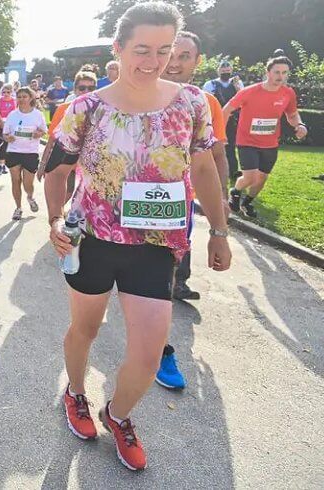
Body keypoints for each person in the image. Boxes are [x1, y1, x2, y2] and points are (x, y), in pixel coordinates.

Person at [48, 3, 231, 471]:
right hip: (93, 239)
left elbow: (205, 167)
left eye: (164, 51)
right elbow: (58, 170)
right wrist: (54, 219)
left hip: (156, 244)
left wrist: (219, 230)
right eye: (142, 50)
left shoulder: (190, 102)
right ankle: (75, 393)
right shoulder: (85, 107)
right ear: (119, 48)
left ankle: (118, 413)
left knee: (149, 356)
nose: (153, 61)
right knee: (84, 330)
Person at [156, 30, 231, 389]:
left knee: (163, 276)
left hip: (174, 210)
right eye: (170, 53)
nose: (175, 62)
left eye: (184, 55)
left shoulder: (205, 103)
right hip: (118, 212)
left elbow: (214, 159)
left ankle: (160, 348)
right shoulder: (129, 95)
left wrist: (221, 216)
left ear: (197, 62)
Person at [224, 56, 306, 219]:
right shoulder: (249, 91)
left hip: (270, 143)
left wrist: (299, 125)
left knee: (261, 178)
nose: (280, 76)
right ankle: (236, 191)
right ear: (268, 72)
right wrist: (220, 134)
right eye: (276, 72)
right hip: (247, 141)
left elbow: (292, 114)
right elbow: (225, 110)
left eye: (284, 73)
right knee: (250, 176)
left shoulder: (288, 93)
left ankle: (247, 202)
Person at [38, 70, 98, 219]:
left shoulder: (103, 110)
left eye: (90, 88)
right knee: (66, 192)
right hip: (66, 161)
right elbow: (52, 139)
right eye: (82, 88)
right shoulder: (64, 108)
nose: (86, 92)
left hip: (90, 165)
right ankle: (57, 220)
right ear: (75, 89)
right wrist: (42, 164)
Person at [2, 86, 46, 220]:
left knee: (28, 184)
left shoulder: (38, 114)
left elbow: (44, 131)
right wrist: (7, 138)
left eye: (24, 97)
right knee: (15, 181)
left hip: (30, 153)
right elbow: (5, 133)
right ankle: (18, 208)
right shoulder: (13, 114)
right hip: (14, 151)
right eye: (19, 97)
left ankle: (30, 197)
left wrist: (38, 134)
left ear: (31, 98)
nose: (21, 99)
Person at [204, 60, 244, 180]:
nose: (225, 72)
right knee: (213, 146)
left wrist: (237, 87)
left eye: (228, 70)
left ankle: (233, 172)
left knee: (231, 147)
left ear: (231, 71)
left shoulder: (237, 83)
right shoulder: (210, 84)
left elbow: (243, 99)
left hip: (232, 120)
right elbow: (206, 102)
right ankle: (212, 171)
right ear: (218, 70)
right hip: (215, 119)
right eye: (223, 70)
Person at [0, 83, 16, 176]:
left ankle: (4, 165)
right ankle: (1, 165)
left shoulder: (15, 101)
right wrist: (1, 125)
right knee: (3, 145)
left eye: (8, 92)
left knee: (7, 146)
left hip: (12, 125)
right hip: (1, 124)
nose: (6, 94)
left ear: (11, 92)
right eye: (4, 92)